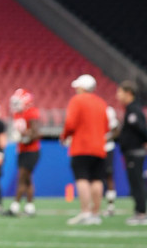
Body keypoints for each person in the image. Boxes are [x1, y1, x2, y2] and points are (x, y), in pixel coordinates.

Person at [60, 73, 108, 226]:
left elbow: (70, 123)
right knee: (97, 179)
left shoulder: (77, 100)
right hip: (100, 146)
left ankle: (85, 211)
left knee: (82, 178)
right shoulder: (101, 103)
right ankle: (96, 213)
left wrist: (64, 136)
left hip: (82, 146)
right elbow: (106, 126)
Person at [115, 80, 147, 225]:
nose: (117, 95)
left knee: (137, 182)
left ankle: (141, 212)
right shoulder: (131, 109)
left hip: (135, 151)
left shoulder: (134, 110)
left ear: (129, 93)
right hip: (132, 151)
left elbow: (142, 129)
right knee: (135, 182)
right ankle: (139, 211)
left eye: (120, 92)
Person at [6, 88, 41, 217]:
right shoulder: (17, 114)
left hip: (31, 150)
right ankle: (30, 207)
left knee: (22, 178)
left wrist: (24, 138)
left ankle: (15, 206)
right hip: (22, 150)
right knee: (27, 179)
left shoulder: (31, 112)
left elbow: (36, 133)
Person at [103, 103, 120, 216]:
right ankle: (92, 206)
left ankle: (110, 206)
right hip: (92, 148)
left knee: (108, 175)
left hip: (106, 148)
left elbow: (115, 130)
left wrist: (104, 138)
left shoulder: (107, 110)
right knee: (92, 178)